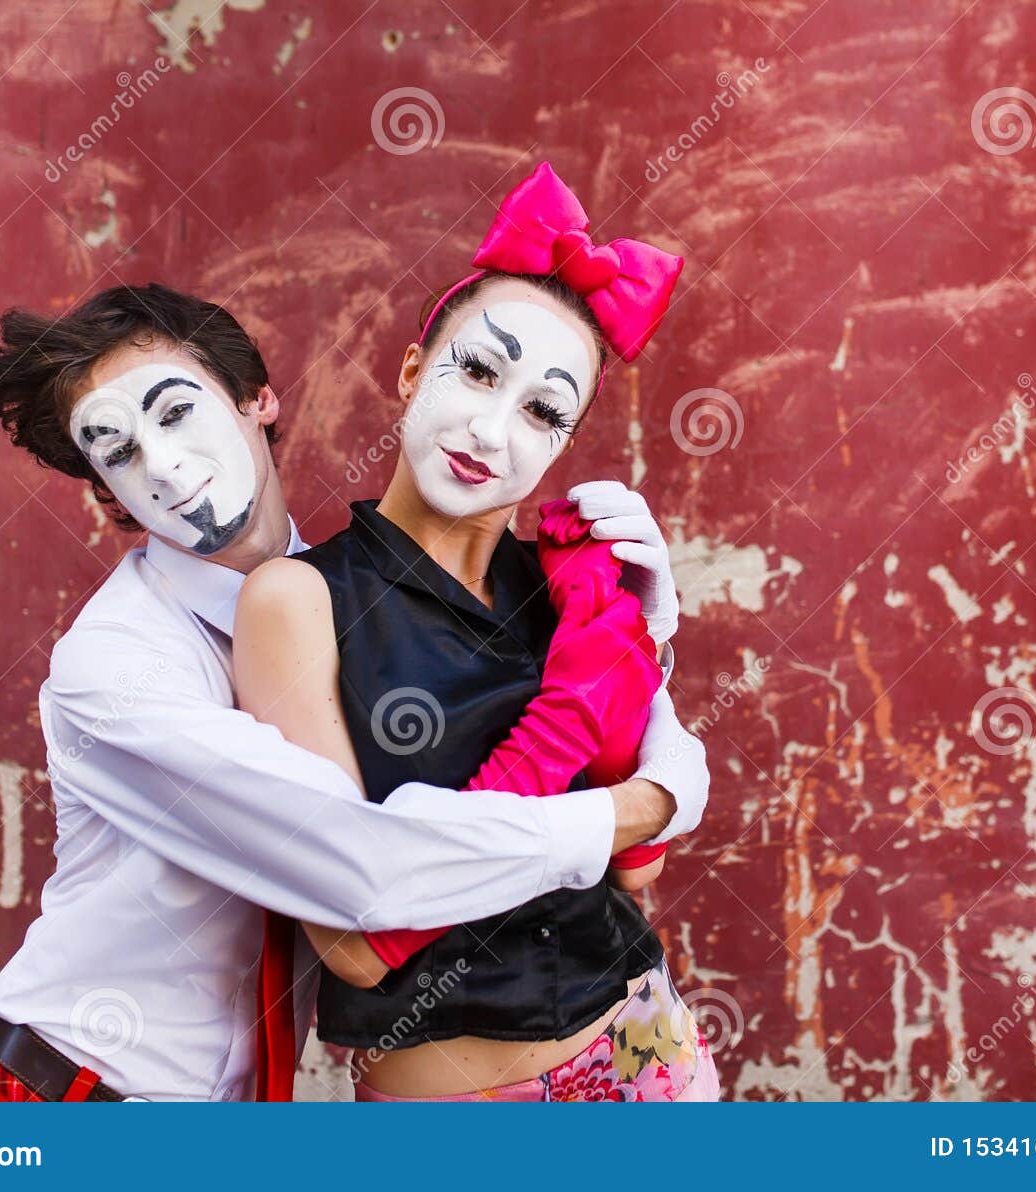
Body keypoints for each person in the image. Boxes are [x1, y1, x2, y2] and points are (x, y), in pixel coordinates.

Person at [0, 281, 709, 1102]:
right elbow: (362, 879)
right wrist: (652, 803)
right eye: (115, 450)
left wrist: (639, 647)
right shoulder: (115, 665)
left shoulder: (337, 595)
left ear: (257, 400)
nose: (162, 466)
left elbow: (581, 784)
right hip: (68, 1099)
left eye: (174, 413)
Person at [237, 162, 720, 1102]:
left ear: (561, 445)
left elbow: (635, 880)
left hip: (646, 1049)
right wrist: (642, 802)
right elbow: (354, 941)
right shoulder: (297, 598)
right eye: (479, 371)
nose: (493, 431)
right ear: (414, 370)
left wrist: (644, 643)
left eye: (542, 411)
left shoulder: (568, 586)